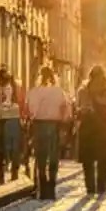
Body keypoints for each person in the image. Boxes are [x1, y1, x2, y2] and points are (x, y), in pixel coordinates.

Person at [26, 65, 71, 200]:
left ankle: (42, 187)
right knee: (53, 158)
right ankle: (51, 188)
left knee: (40, 158)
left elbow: (29, 109)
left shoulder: (34, 91)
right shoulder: (59, 92)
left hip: (39, 125)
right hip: (54, 125)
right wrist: (63, 124)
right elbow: (66, 110)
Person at [77, 66, 106, 195]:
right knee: (99, 159)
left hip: (91, 126)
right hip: (99, 127)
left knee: (93, 160)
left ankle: (93, 187)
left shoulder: (85, 90)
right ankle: (99, 186)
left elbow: (80, 107)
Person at [0, 67, 24, 184]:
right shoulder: (15, 87)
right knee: (13, 147)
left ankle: (1, 174)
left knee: (1, 148)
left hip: (2, 120)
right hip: (12, 119)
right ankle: (13, 171)